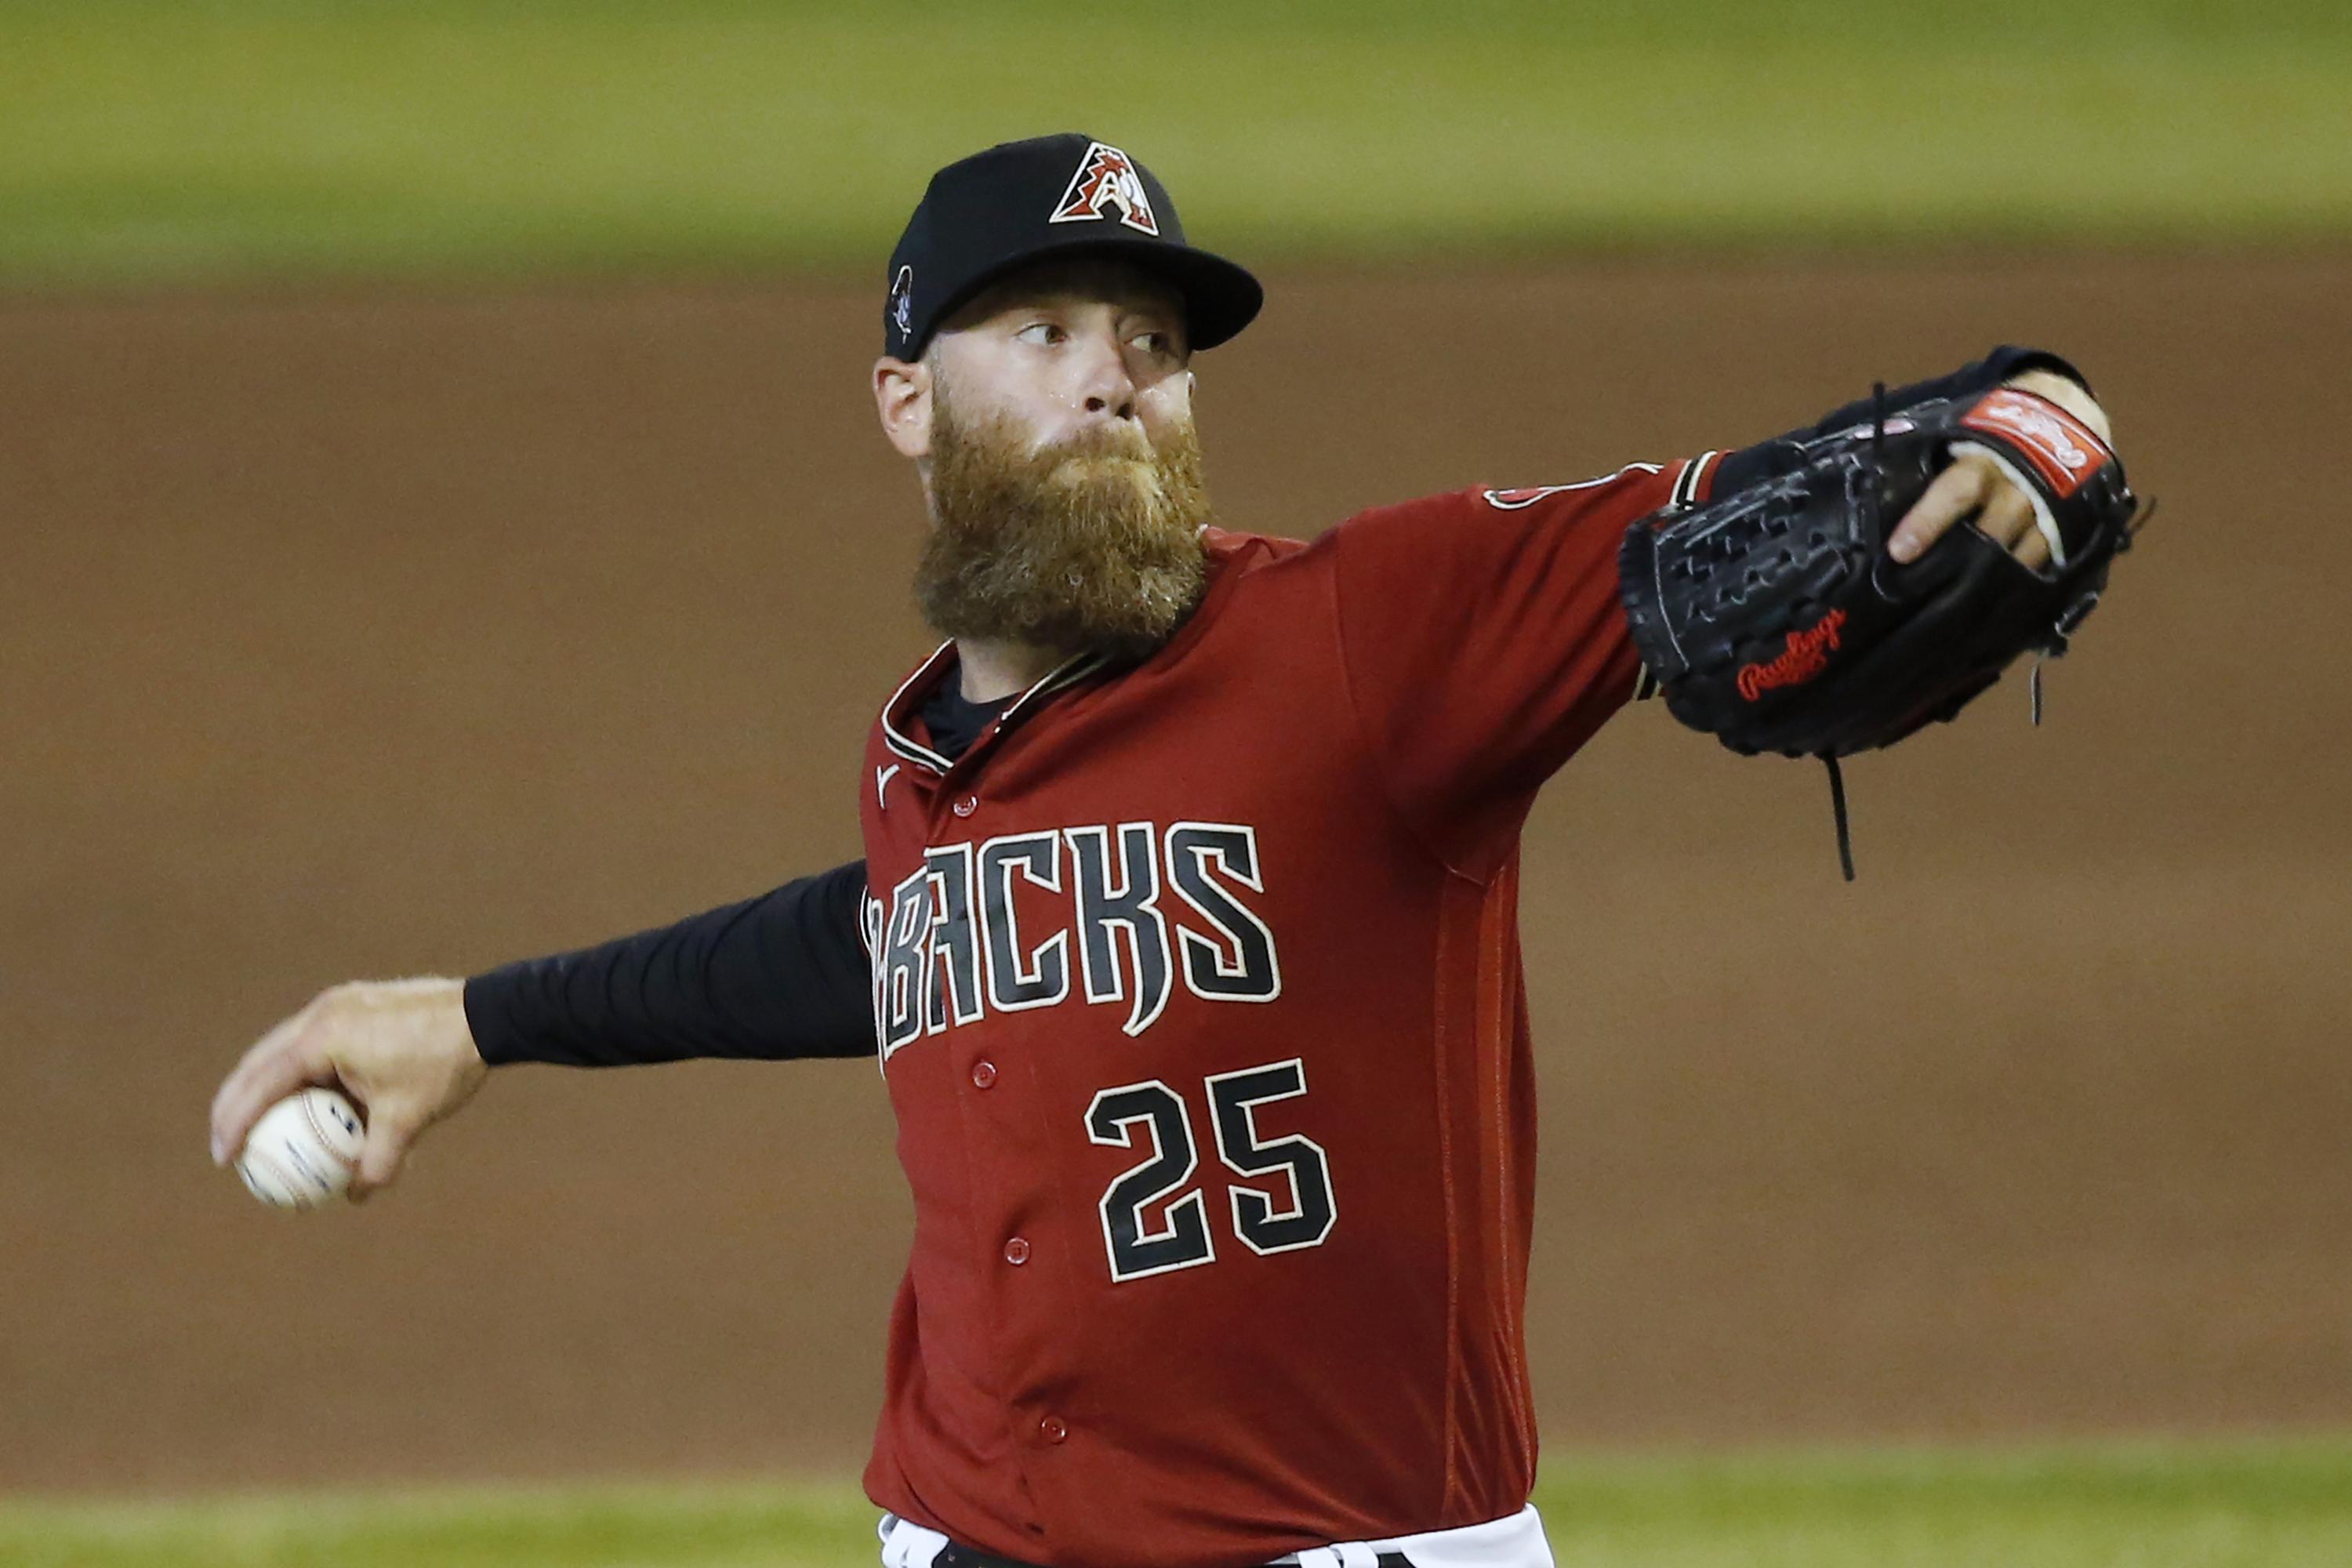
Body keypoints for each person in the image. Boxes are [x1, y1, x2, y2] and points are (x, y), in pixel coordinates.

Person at [209, 133, 2115, 1568]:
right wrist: (481, 1019)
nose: (1115, 374)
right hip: (957, 1533)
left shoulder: (1373, 633)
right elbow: (897, 939)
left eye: (1153, 343)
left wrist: (2032, 425)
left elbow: (1819, 477)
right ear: (905, 400)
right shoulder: (917, 757)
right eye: (1044, 330)